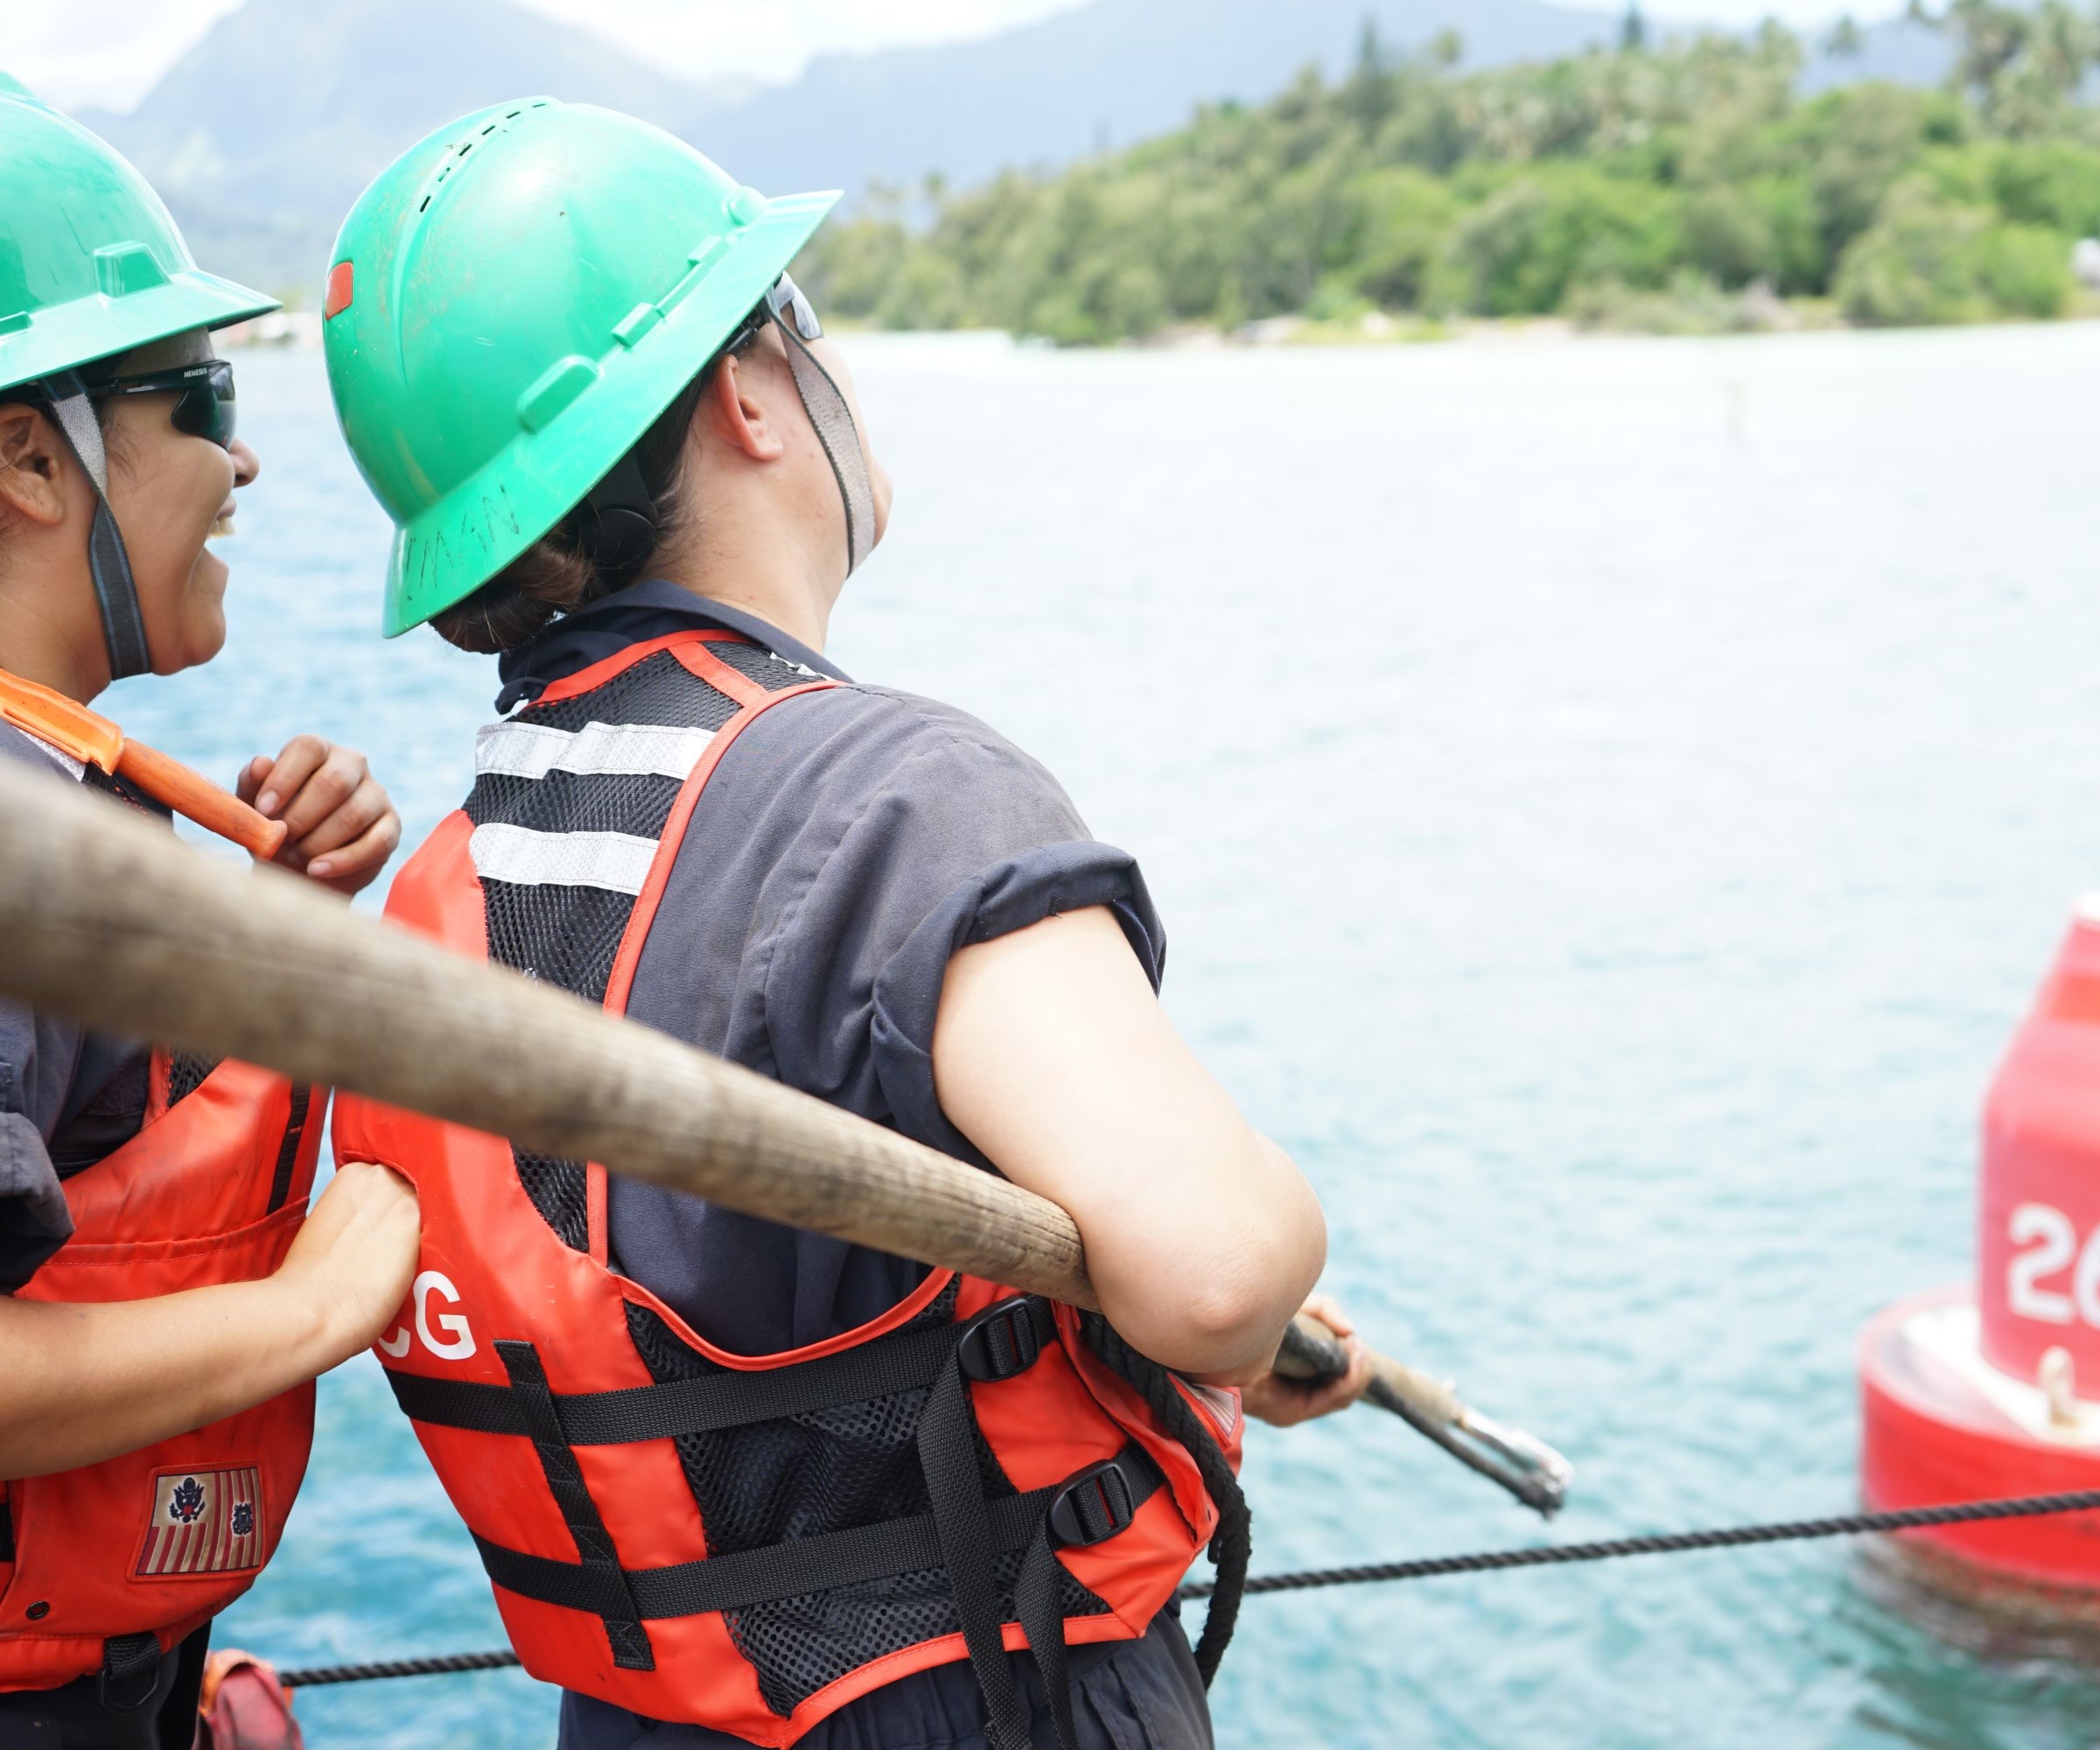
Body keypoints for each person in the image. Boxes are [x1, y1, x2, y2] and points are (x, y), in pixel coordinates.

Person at [322, 101, 1368, 1750]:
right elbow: (1219, 1265)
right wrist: (1265, 1283)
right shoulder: (892, 796)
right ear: (745, 393)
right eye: (796, 316)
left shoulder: (453, 878)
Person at [0, 74, 421, 1748]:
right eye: (199, 398)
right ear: (29, 459)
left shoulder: (58, 795)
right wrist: (315, 1309)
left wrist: (270, 927)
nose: (242, 457)